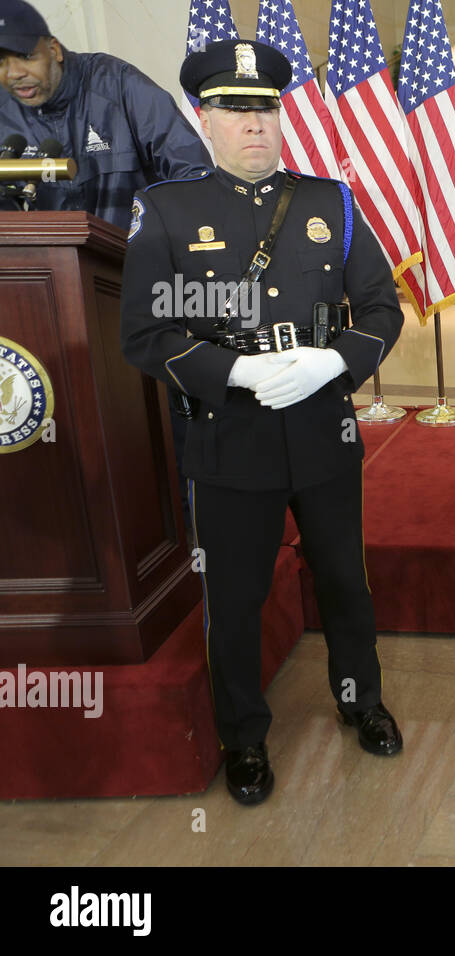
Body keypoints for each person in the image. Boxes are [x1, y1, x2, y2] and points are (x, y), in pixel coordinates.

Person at [119, 39, 405, 806]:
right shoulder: (169, 210)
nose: (254, 123)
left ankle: (360, 699)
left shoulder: (329, 203)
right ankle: (243, 737)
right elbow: (145, 333)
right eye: (233, 109)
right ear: (202, 119)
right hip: (228, 432)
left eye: (265, 108)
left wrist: (334, 364)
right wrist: (234, 370)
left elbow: (381, 306)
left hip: (322, 425)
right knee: (237, 596)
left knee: (345, 579)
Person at [0, 0, 210, 229]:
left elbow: (194, 174)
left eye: (26, 56)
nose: (14, 73)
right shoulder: (4, 112)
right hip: (52, 261)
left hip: (135, 256)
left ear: (54, 50)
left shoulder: (117, 85)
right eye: (1, 62)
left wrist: (164, 242)